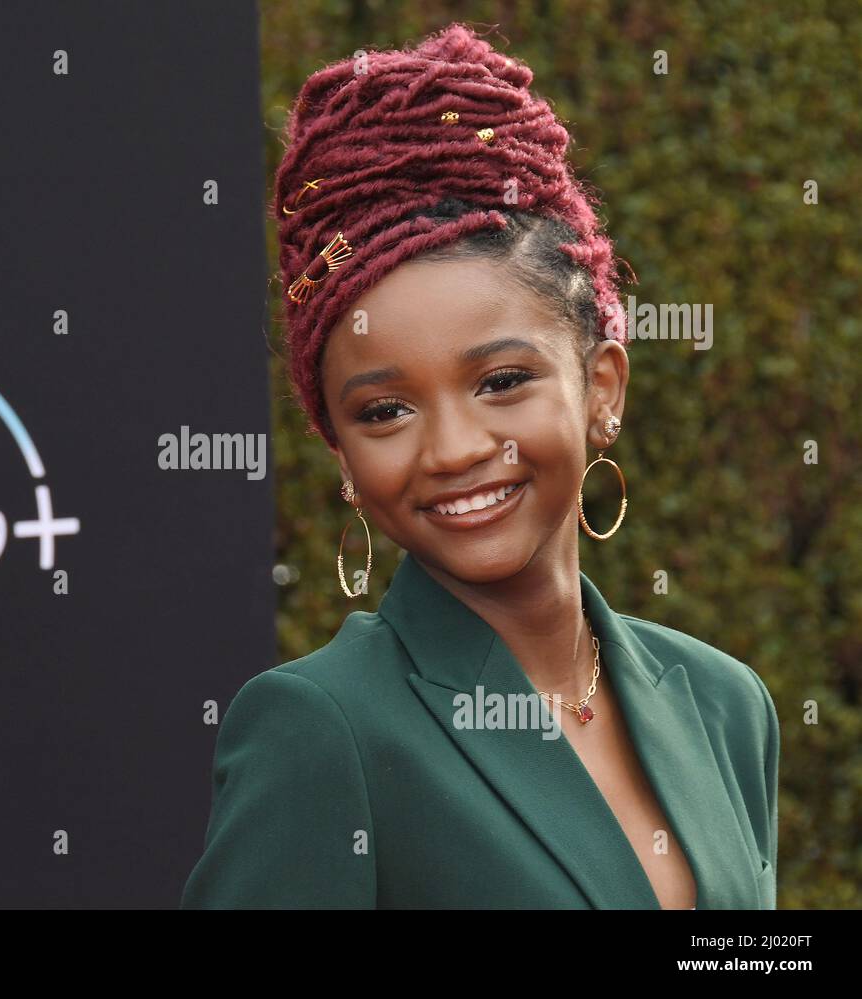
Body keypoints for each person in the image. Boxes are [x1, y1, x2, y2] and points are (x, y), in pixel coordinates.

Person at [181, 22, 778, 909]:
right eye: (385, 410)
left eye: (501, 380)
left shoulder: (727, 708)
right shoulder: (323, 733)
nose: (455, 448)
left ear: (602, 387)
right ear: (341, 452)